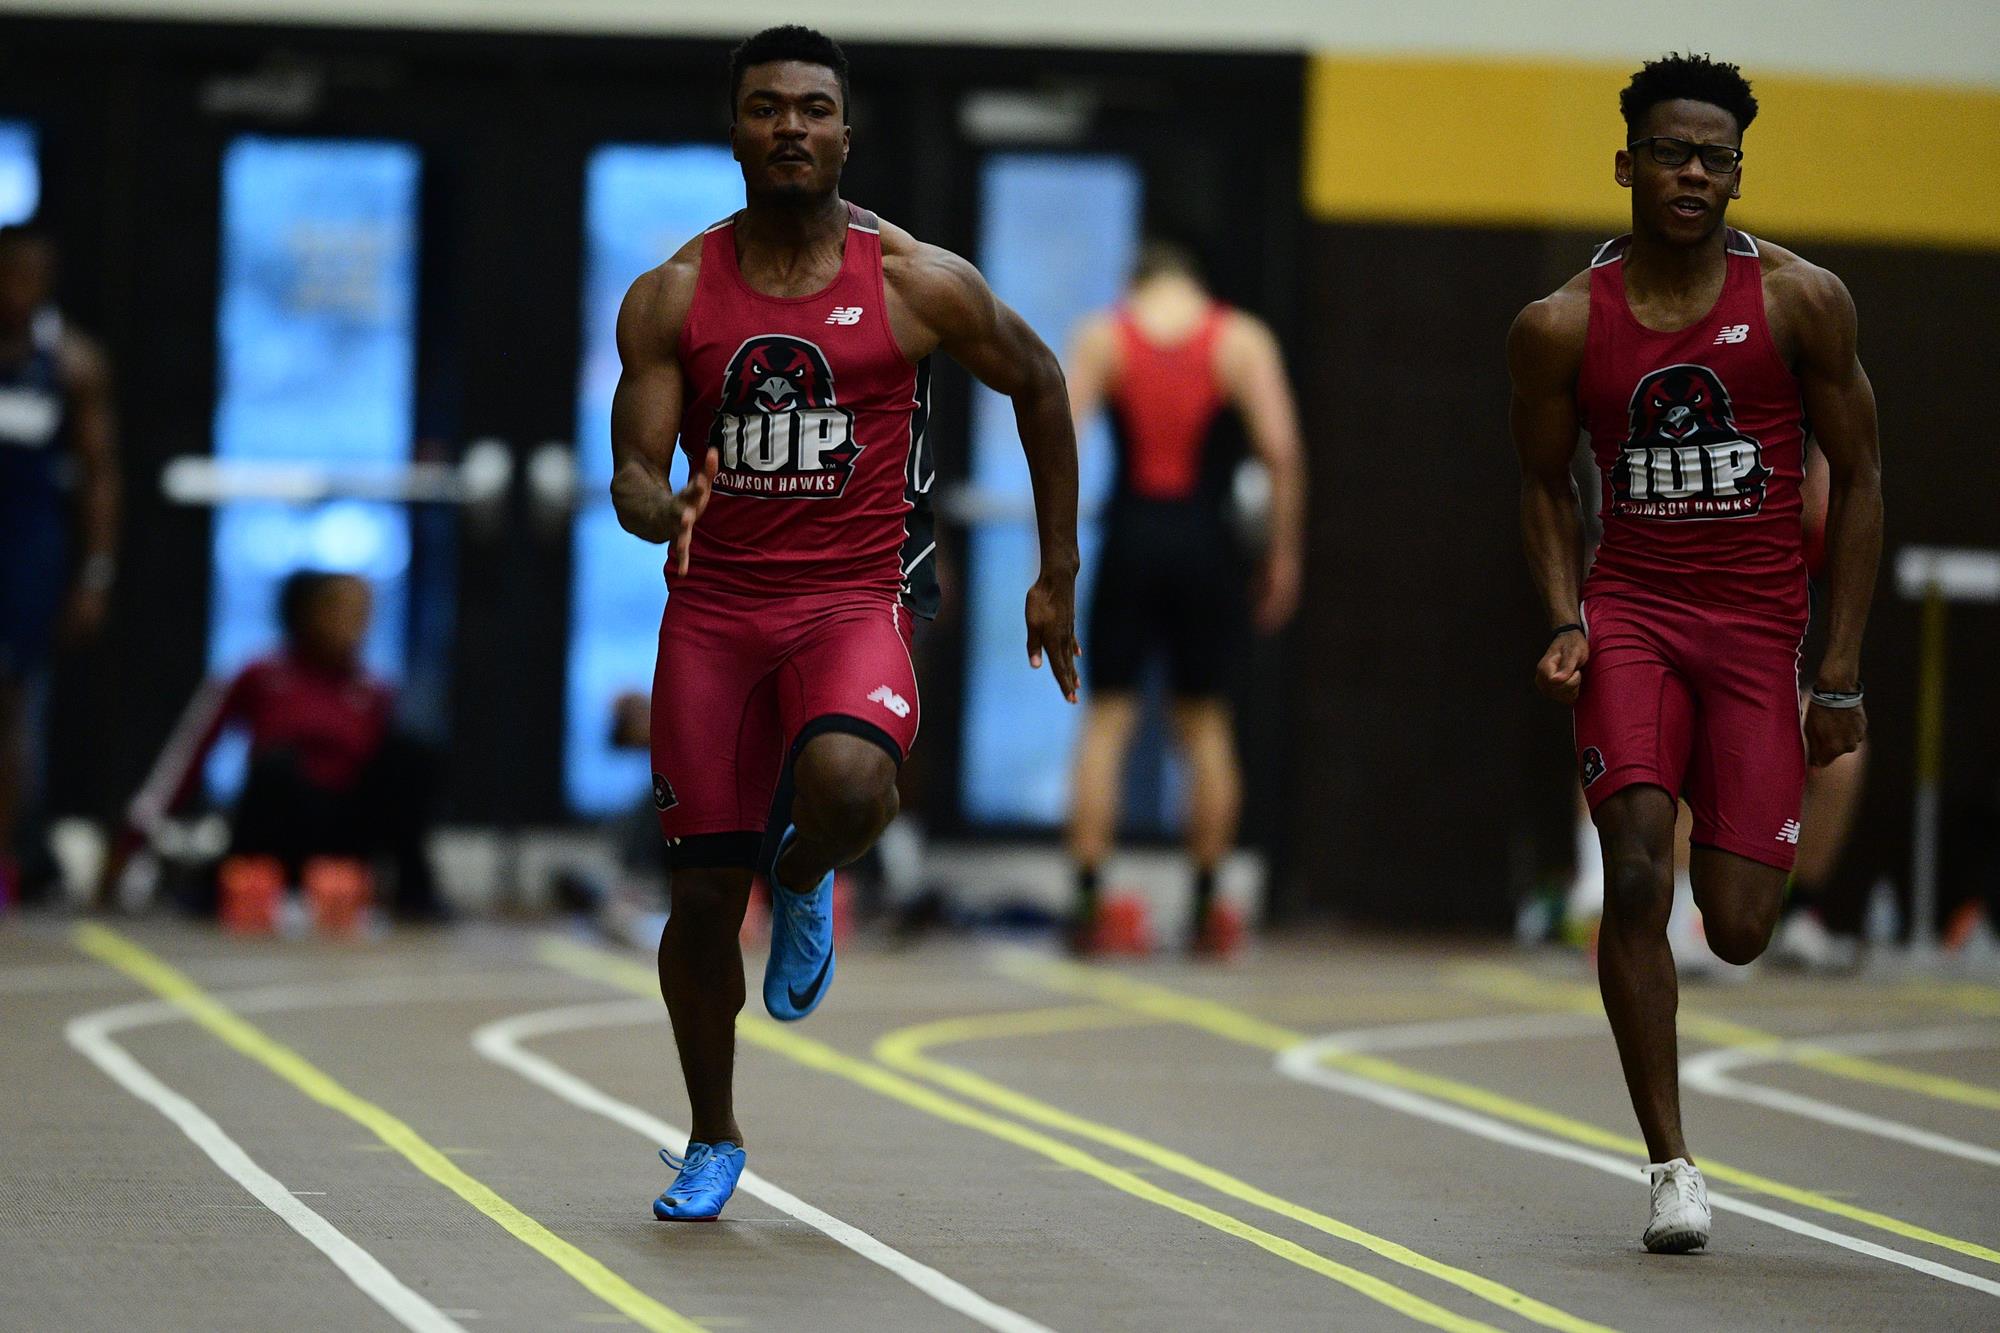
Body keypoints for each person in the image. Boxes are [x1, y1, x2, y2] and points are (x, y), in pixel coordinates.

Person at [608, 25, 1078, 1221]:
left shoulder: (914, 282)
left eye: (811, 109)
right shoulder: (672, 294)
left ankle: (807, 866)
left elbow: (1039, 383)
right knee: (702, 904)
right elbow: (630, 473)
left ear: (843, 132)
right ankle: (711, 1134)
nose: (789, 128)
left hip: (851, 599)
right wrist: (655, 498)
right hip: (713, 616)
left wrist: (1054, 573)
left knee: (851, 783)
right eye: (765, 108)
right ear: (735, 131)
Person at [1509, 54, 1881, 1253]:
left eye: (1712, 157)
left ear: (1734, 174)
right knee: (1631, 873)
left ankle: (1733, 897)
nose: (1689, 173)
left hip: (1755, 636)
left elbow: (1863, 477)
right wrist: (1566, 616)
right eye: (1668, 152)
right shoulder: (1561, 323)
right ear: (1626, 163)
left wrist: (1836, 672)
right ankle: (1669, 1163)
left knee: (1733, 926)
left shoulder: (1797, 301)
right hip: (1634, 621)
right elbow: (1541, 482)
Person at [1061, 240, 1305, 955]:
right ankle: (1204, 908)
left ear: (1135, 280)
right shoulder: (1239, 338)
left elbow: (1059, 435)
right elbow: (1282, 450)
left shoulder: (1104, 334)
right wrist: (1282, 557)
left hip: (1131, 535)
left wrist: (1058, 550)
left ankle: (1086, 901)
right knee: (1203, 725)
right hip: (1207, 541)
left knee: (1107, 720)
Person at [110, 570, 442, 920]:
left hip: (344, 835)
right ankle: (228, 883)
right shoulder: (260, 675)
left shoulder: (375, 690)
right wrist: (134, 838)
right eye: (340, 608)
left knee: (410, 754)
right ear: (304, 611)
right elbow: (189, 756)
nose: (355, 621)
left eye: (363, 611)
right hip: (276, 830)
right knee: (276, 767)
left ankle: (415, 893)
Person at [0, 222, 118, 906]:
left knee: (13, 705)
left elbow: (102, 473)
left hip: (27, 549)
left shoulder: (71, 362)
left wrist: (94, 572)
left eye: (32, 276)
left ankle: (12, 859)